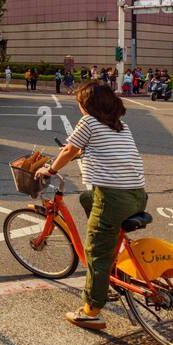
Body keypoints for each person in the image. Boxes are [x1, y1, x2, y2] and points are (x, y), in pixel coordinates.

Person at [36, 82, 147, 331]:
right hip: (137, 195)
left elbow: (70, 150)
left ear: (87, 105)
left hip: (112, 199)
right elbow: (103, 151)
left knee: (96, 253)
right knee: (87, 199)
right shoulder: (121, 126)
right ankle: (109, 264)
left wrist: (51, 168)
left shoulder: (88, 123)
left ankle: (91, 311)